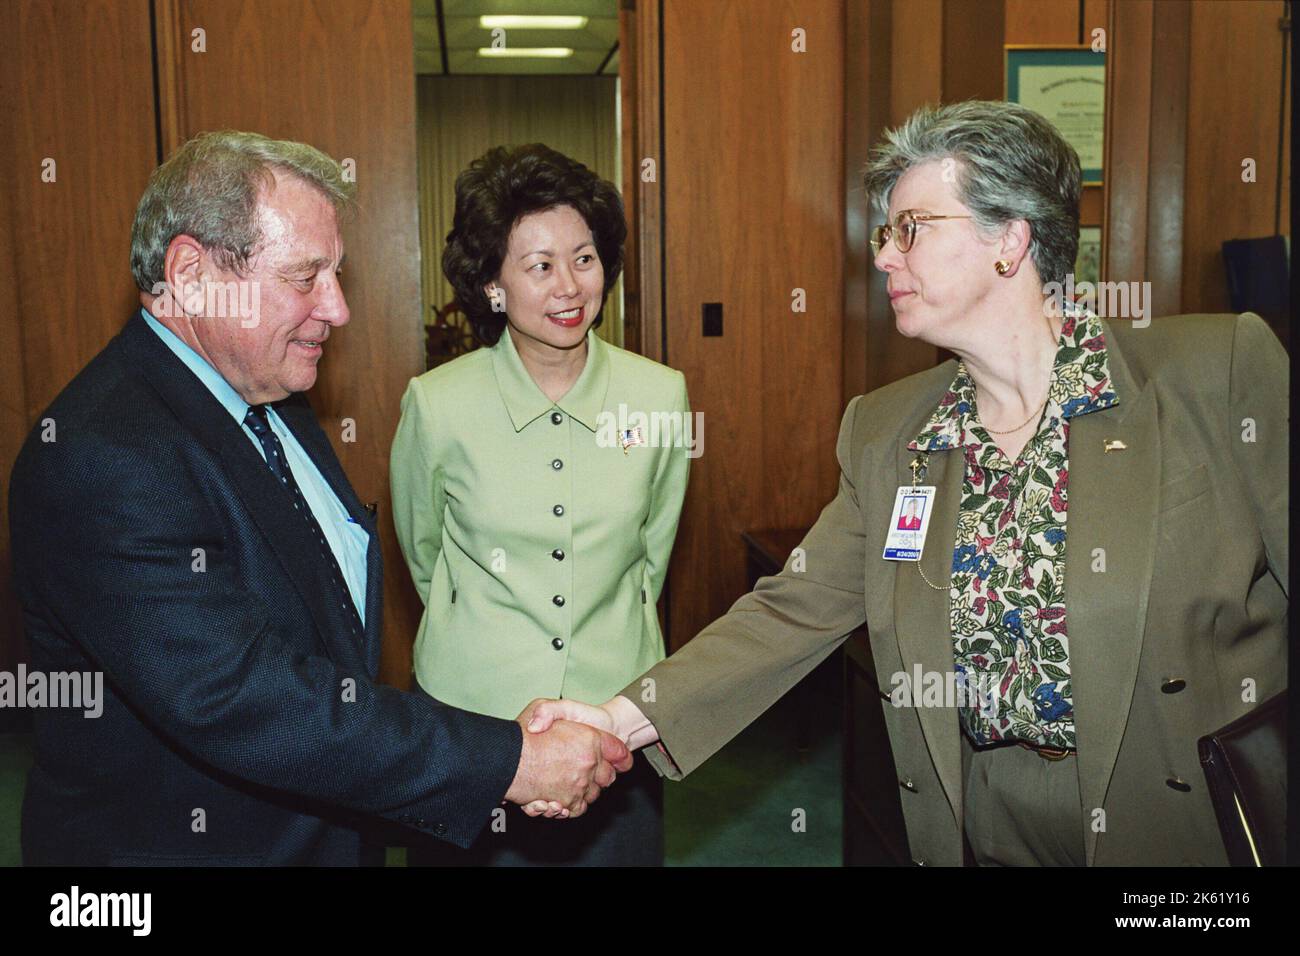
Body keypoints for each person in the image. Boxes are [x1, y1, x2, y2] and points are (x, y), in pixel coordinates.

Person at [528, 100, 1288, 866]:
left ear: (1010, 239)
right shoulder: (889, 432)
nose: (885, 257)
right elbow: (794, 608)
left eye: (911, 230)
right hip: (988, 822)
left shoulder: (1215, 376)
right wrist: (615, 719)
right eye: (887, 235)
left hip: (1186, 826)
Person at [7, 130, 630, 866]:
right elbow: (245, 698)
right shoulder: (103, 454)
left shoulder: (271, 395)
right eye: (306, 278)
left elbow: (322, 649)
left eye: (336, 275)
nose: (336, 308)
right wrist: (508, 759)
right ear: (192, 273)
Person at [391, 144, 690, 865]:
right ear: (492, 284)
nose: (568, 287)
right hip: (473, 724)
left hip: (615, 715)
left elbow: (652, 555)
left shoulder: (661, 396)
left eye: (583, 259)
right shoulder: (437, 405)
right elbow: (425, 556)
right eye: (539, 265)